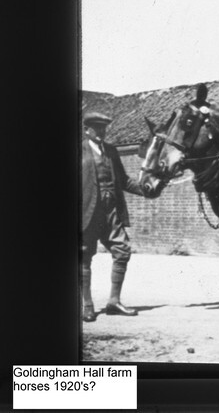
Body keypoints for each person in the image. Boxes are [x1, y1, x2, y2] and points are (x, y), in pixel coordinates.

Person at [81, 111, 145, 322]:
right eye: (96, 128)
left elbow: (124, 181)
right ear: (86, 129)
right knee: (84, 256)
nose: (100, 132)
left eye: (103, 128)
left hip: (110, 213)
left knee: (122, 250)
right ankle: (87, 305)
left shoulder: (111, 151)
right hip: (86, 214)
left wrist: (146, 189)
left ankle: (113, 301)